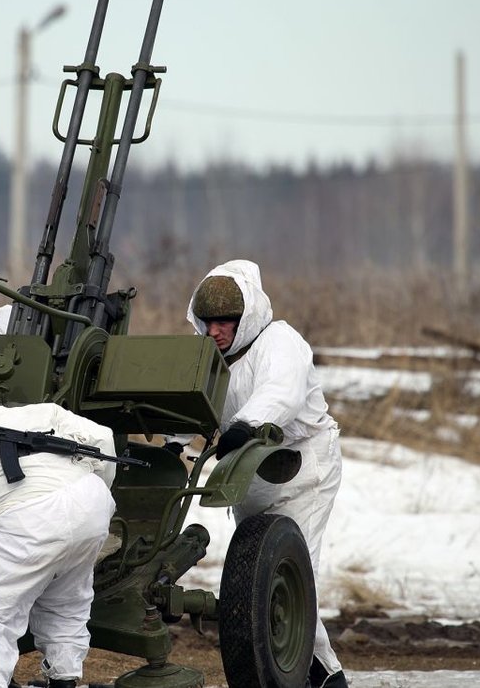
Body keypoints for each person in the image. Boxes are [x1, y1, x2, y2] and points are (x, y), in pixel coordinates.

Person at [184, 259, 347, 688]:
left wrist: (245, 425)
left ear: (246, 317)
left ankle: (326, 679)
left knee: (290, 584)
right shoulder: (206, 354)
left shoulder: (280, 341)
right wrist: (169, 441)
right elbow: (187, 403)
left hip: (302, 471)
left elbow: (282, 393)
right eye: (208, 322)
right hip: (249, 475)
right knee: (258, 585)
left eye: (225, 322)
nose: (214, 331)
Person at [0, 389, 117, 688]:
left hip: (36, 520)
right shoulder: (36, 412)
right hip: (90, 500)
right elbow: (103, 437)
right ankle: (64, 679)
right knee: (65, 601)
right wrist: (94, 489)